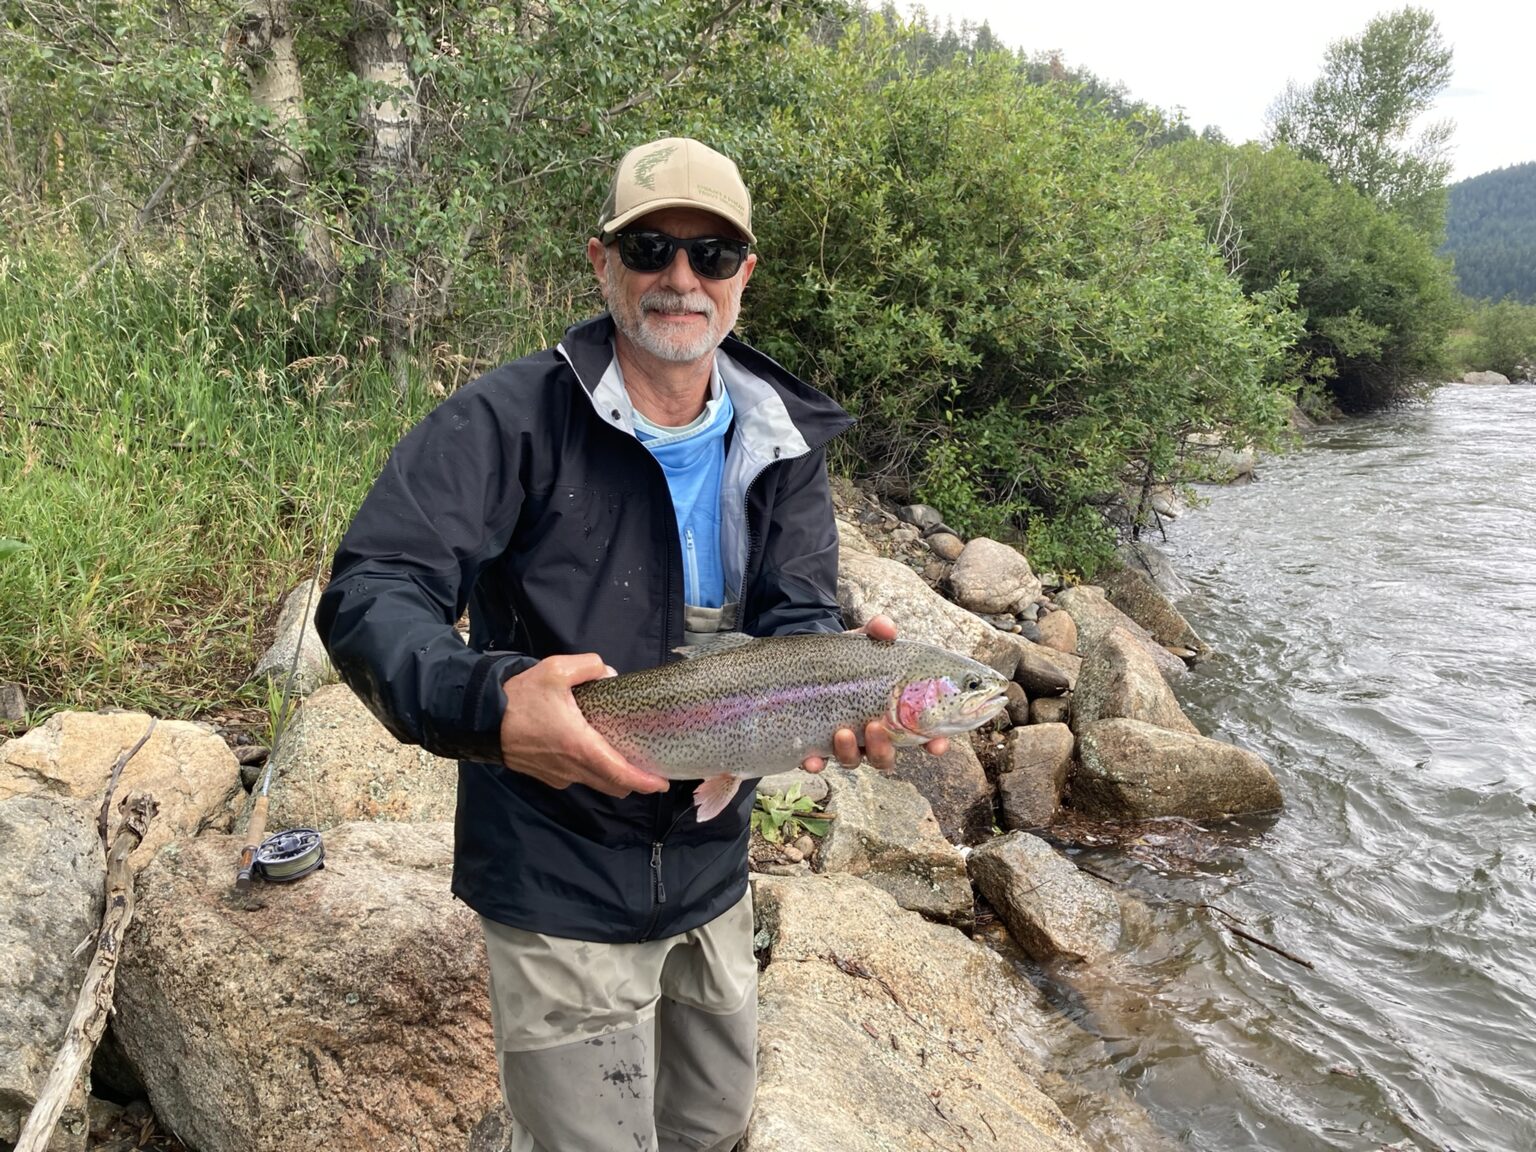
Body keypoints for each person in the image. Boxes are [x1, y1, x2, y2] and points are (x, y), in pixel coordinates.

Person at [315, 136, 945, 1152]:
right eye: (651, 248)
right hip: (555, 867)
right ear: (602, 262)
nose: (681, 278)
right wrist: (493, 703)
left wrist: (837, 678)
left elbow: (793, 612)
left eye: (712, 255)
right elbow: (371, 591)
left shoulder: (780, 440)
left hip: (711, 870)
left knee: (711, 1126)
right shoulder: (508, 422)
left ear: (746, 275)